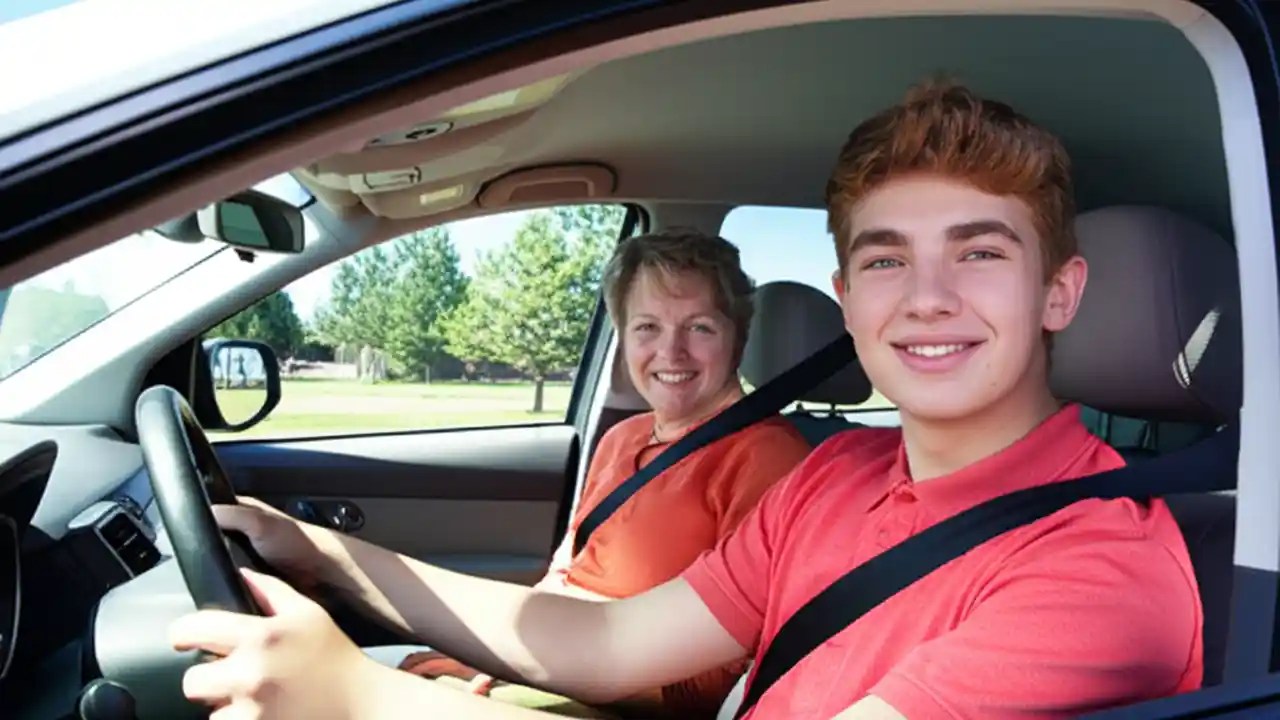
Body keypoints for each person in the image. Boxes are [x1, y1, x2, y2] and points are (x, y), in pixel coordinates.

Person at [170, 80, 1202, 720]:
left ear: (1056, 292)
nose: (926, 298)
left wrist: (361, 701)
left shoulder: (1102, 569)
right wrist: (320, 554)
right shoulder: (837, 479)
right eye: (885, 261)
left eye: (979, 253)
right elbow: (608, 646)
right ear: (845, 300)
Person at [397, 229, 811, 718]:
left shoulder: (768, 458)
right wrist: (497, 650)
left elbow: (720, 677)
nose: (671, 352)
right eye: (647, 328)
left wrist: (534, 665)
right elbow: (567, 570)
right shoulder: (624, 438)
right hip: (558, 660)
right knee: (400, 674)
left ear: (738, 337)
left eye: (700, 327)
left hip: (635, 697)